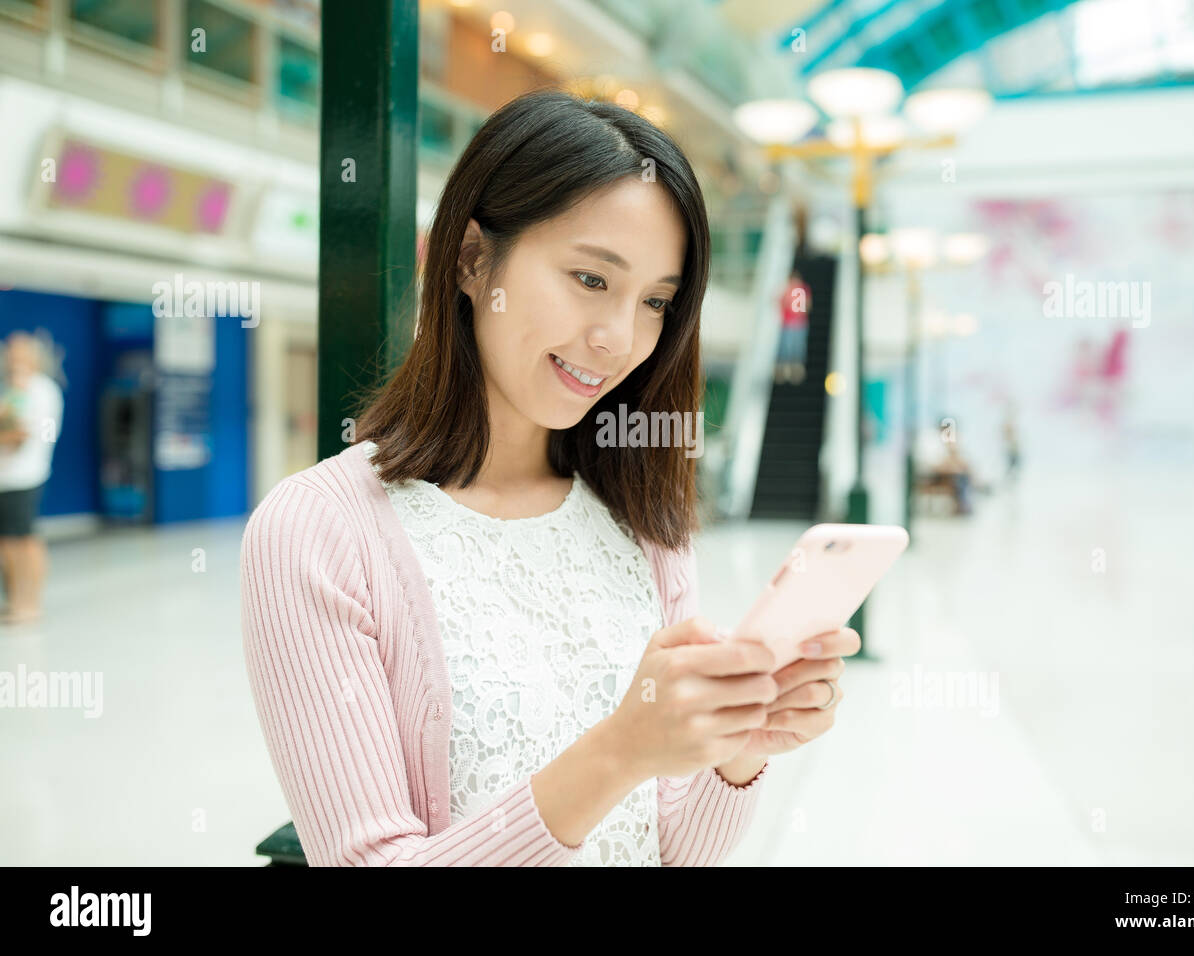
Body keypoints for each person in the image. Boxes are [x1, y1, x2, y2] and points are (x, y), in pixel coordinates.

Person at [240, 88, 860, 867]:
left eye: (657, 302)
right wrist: (618, 753)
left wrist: (740, 748)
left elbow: (675, 852)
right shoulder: (319, 531)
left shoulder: (641, 520)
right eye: (592, 280)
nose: (619, 338)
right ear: (471, 259)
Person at [0, 331, 64, 625]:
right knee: (9, 542)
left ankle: (29, 604)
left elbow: (20, 435)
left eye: (19, 351)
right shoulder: (14, 387)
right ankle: (15, 601)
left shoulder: (38, 390)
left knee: (22, 540)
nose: (12, 356)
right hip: (7, 477)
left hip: (23, 476)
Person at [775, 269, 811, 385]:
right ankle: (782, 370)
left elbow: (807, 305)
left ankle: (795, 371)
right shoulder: (788, 289)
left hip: (798, 323)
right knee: (785, 347)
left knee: (797, 347)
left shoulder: (800, 289)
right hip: (790, 323)